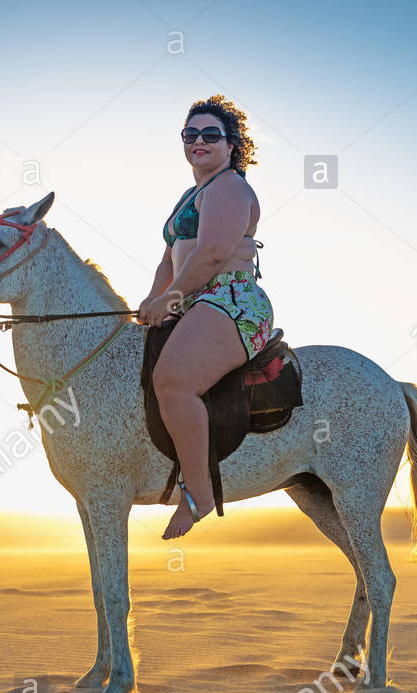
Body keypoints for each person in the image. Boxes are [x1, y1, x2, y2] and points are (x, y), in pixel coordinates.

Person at [137, 94, 273, 539]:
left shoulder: (230, 187)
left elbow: (212, 254)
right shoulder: (189, 195)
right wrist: (154, 298)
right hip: (192, 297)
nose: (199, 141)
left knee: (173, 381)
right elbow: (167, 258)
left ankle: (197, 494)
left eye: (210, 134)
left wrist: (172, 297)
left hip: (229, 300)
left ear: (231, 144)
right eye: (190, 134)